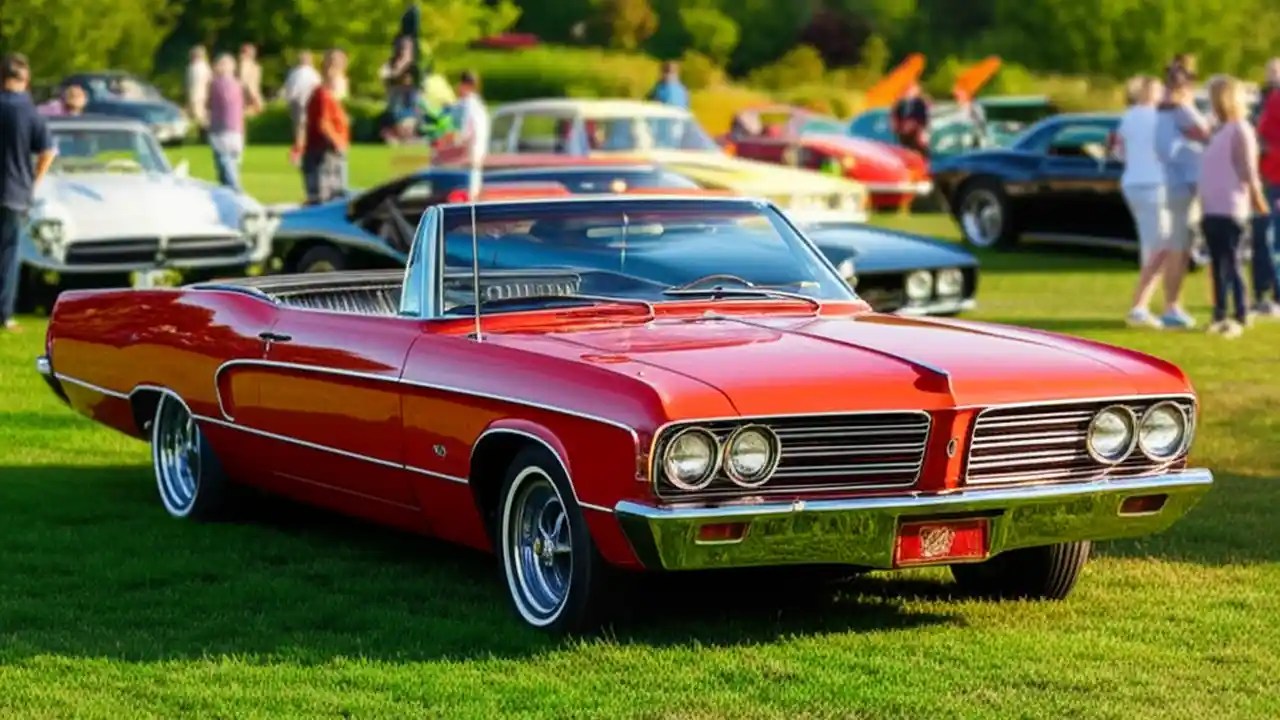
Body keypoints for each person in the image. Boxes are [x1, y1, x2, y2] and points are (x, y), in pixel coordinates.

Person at [1200, 74, 1269, 338]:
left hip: (1231, 205)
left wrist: (1257, 198)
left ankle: (1240, 311)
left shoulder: (1241, 129)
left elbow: (1248, 169)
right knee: (1217, 264)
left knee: (1232, 260)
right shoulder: (1218, 130)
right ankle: (1219, 311)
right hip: (1212, 206)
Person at [0, 54, 56, 334]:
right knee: (8, 254)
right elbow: (47, 151)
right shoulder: (30, 112)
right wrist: (33, 181)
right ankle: (5, 315)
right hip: (15, 191)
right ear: (26, 80)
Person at [1153, 72, 1212, 328]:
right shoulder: (1181, 110)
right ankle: (1172, 307)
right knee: (1179, 249)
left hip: (1172, 186)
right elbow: (1207, 132)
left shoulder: (1160, 113)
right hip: (1182, 187)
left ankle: (1173, 305)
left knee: (1178, 248)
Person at [1114, 76, 1171, 328]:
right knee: (1161, 247)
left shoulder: (1128, 117)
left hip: (1132, 183)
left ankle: (1145, 305)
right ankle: (1140, 307)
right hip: (1154, 184)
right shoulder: (1159, 118)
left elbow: (1118, 152)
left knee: (1151, 245)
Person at [294, 49, 350, 204]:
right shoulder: (323, 95)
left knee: (327, 195)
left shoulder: (323, 95)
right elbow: (324, 124)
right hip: (325, 154)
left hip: (322, 152)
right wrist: (338, 143)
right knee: (328, 198)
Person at [1250, 58, 1280, 315]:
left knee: (1268, 237)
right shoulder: (1265, 100)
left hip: (1272, 176)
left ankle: (1269, 294)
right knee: (1264, 236)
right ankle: (1263, 293)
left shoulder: (1272, 101)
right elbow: (1259, 134)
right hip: (1267, 176)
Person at [206, 54, 246, 192]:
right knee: (232, 162)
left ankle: (235, 191)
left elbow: (210, 104)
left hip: (221, 129)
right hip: (236, 128)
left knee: (224, 163)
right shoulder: (237, 84)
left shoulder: (216, 84)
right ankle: (232, 191)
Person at [449, 70, 490, 196]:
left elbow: (466, 130)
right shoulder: (478, 105)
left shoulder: (469, 104)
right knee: (474, 187)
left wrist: (455, 142)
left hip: (469, 153)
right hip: (478, 152)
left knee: (469, 190)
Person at [279, 50, 321, 140]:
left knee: (301, 124)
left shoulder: (306, 73)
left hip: (303, 101)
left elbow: (290, 88)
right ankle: (302, 142)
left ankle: (302, 142)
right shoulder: (305, 73)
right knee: (302, 124)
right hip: (303, 101)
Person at [890, 82, 930, 157]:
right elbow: (895, 115)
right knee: (904, 150)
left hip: (916, 131)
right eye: (909, 90)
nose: (911, 92)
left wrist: (918, 127)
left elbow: (925, 117)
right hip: (903, 131)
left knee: (919, 149)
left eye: (914, 90)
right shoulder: (900, 103)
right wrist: (897, 126)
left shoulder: (921, 102)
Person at [186, 45, 212, 130]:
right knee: (195, 115)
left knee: (200, 115)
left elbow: (209, 81)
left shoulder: (204, 67)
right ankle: (201, 131)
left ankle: (205, 131)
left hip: (201, 95)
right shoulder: (191, 67)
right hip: (193, 94)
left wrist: (208, 94)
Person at [237, 43, 264, 116]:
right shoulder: (250, 66)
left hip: (249, 98)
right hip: (246, 98)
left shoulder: (253, 66)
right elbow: (245, 82)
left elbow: (249, 84)